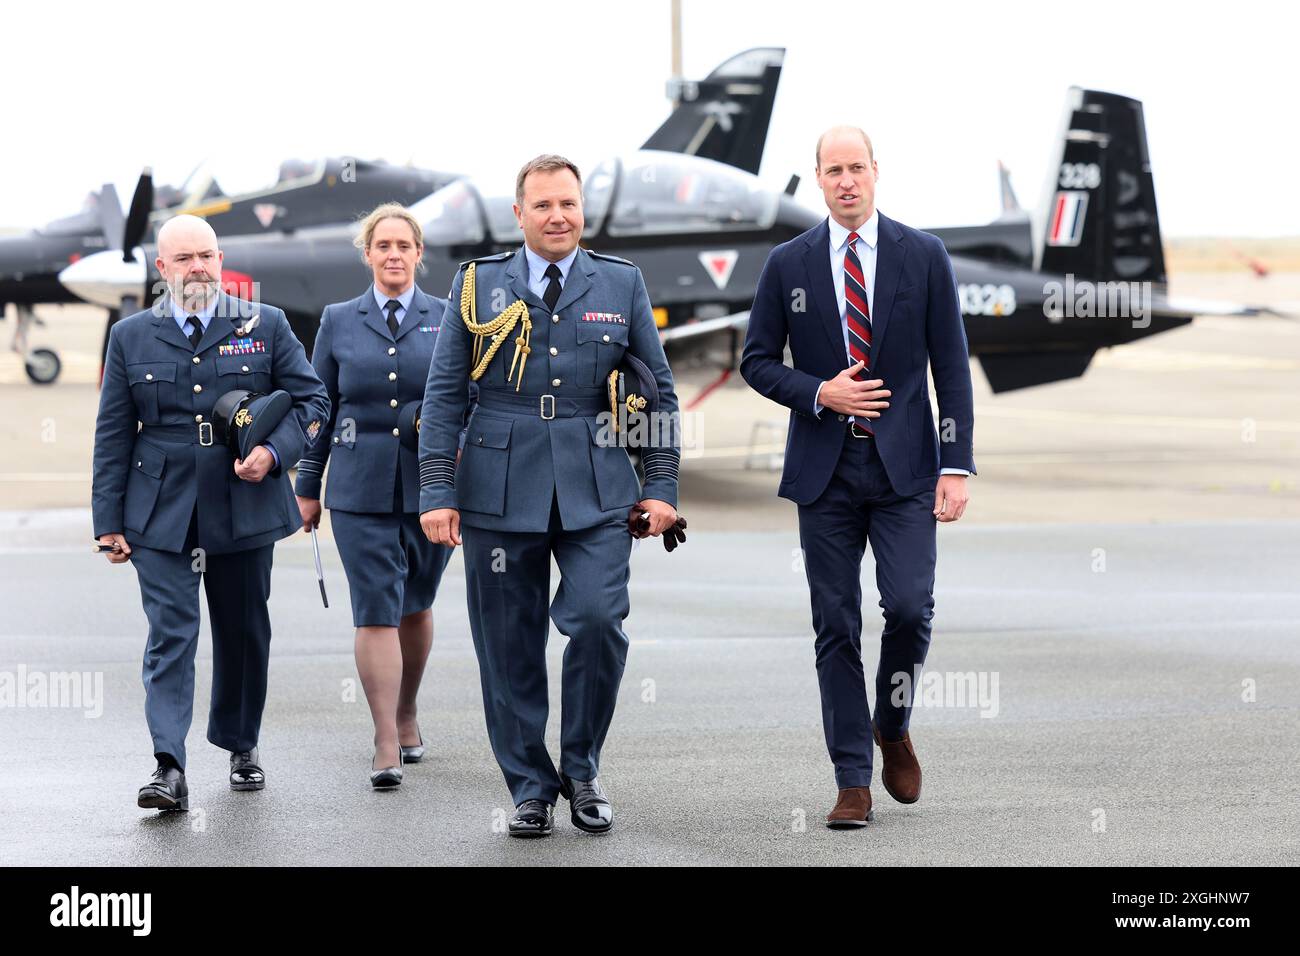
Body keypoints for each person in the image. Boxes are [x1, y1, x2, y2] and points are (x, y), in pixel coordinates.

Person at [418, 154, 681, 838]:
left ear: (581, 211)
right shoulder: (478, 284)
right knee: (508, 644)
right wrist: (436, 491)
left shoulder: (620, 283)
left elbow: (657, 391)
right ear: (520, 213)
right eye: (543, 205)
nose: (558, 215)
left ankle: (582, 767)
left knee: (597, 620)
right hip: (497, 486)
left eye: (568, 204)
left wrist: (660, 486)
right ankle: (531, 786)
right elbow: (445, 396)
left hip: (596, 486)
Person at [739, 126, 976, 828]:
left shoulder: (923, 255)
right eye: (833, 170)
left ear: (877, 172)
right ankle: (852, 780)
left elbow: (952, 367)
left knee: (908, 609)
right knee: (835, 624)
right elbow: (757, 360)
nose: (846, 181)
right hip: (825, 471)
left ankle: (892, 721)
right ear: (817, 178)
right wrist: (820, 392)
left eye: (857, 168)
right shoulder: (787, 264)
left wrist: (956, 463)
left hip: (906, 468)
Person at [92, 214, 330, 811]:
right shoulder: (131, 336)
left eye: (207, 255)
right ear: (162, 268)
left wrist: (276, 455)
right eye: (185, 258)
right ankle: (167, 764)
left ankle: (240, 743)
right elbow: (114, 433)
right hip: (160, 507)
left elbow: (312, 401)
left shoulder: (266, 324)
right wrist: (108, 520)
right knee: (171, 633)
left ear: (220, 261)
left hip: (243, 500)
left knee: (243, 629)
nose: (198, 267)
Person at [294, 204, 454, 790]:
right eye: (382, 245)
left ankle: (408, 709)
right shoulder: (338, 320)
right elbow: (319, 409)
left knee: (415, 602)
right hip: (358, 491)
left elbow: (468, 400)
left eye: (403, 245)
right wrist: (307, 487)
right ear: (367, 254)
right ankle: (385, 736)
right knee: (375, 608)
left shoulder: (449, 318)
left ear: (418, 254)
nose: (393, 254)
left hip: (432, 489)